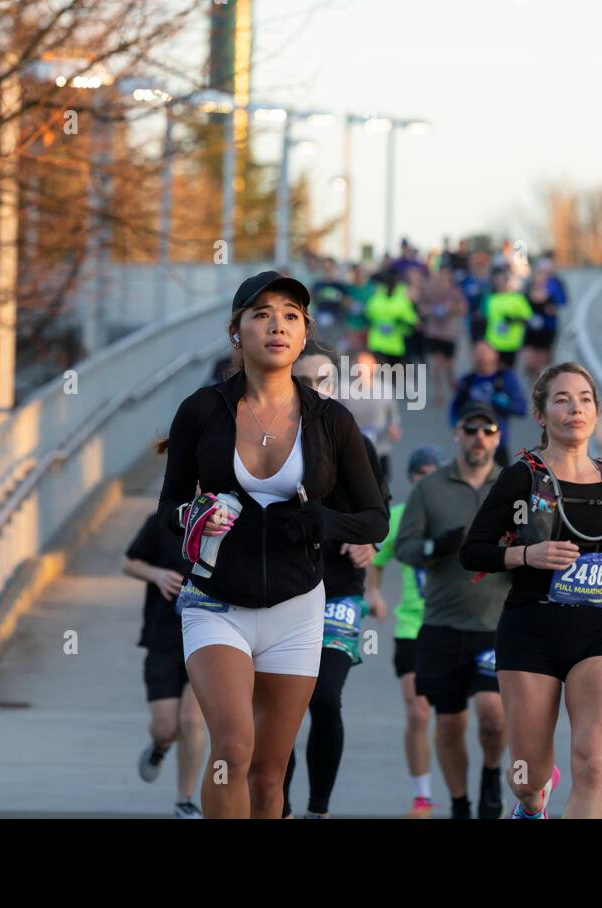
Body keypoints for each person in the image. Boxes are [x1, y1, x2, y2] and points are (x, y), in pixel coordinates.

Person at [151, 270, 389, 819]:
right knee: (232, 751)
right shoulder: (203, 410)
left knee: (268, 773)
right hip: (215, 604)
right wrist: (192, 517)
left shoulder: (332, 420)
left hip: (297, 608)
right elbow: (167, 508)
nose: (276, 325)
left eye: (289, 315)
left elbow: (375, 519)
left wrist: (320, 522)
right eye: (260, 314)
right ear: (236, 333)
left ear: (303, 333)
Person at [459, 362, 602, 818]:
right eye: (562, 399)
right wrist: (526, 556)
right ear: (540, 414)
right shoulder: (523, 477)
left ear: (596, 412)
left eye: (585, 399)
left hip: (596, 632)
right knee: (528, 779)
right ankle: (532, 805)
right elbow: (472, 552)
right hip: (530, 629)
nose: (576, 408)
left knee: (593, 762)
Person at [279, 349, 391, 818]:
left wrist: (368, 544)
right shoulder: (265, 439)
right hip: (279, 589)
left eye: (321, 381)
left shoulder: (356, 442)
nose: (311, 389)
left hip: (339, 588)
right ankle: (276, 806)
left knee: (324, 697)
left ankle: (318, 809)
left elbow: (378, 514)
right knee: (279, 709)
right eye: (301, 380)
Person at [393, 401, 511, 819]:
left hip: (498, 623)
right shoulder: (431, 488)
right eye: (471, 429)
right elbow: (404, 547)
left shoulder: (513, 487)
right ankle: (460, 803)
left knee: (493, 715)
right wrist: (433, 547)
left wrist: (530, 544)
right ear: (457, 434)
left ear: (497, 438)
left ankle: (492, 775)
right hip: (443, 623)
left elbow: (544, 545)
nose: (479, 437)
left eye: (488, 430)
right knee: (448, 725)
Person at [369, 444, 443, 818]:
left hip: (455, 626)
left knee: (484, 715)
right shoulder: (397, 517)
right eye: (421, 473)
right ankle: (423, 796)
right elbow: (375, 560)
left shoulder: (455, 512)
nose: (427, 479)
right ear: (413, 478)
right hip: (412, 626)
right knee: (417, 713)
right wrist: (373, 593)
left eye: (434, 472)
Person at [121, 516, 206, 818]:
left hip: (209, 639)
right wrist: (155, 575)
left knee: (192, 720)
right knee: (166, 727)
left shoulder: (231, 524)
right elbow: (129, 563)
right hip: (164, 638)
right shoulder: (163, 522)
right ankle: (160, 746)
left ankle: (184, 800)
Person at [450, 340, 526, 467]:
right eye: (477, 352)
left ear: (495, 354)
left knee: (501, 483)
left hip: (497, 445)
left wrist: (506, 404)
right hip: (471, 445)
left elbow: (522, 409)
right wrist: (456, 427)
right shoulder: (467, 380)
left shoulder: (505, 378)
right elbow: (454, 408)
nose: (481, 356)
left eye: (485, 351)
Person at [342, 348, 402, 482]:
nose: (360, 367)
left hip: (380, 448)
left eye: (364, 364)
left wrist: (394, 427)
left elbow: (393, 415)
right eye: (357, 363)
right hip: (353, 449)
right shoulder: (342, 389)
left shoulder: (385, 388)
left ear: (373, 367)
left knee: (382, 486)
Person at [420, 260, 469, 407]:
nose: (442, 278)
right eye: (440, 275)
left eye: (445, 275)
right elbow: (422, 307)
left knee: (449, 366)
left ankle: (454, 392)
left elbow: (463, 308)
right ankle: (438, 393)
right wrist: (430, 310)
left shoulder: (455, 291)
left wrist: (450, 309)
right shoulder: (430, 289)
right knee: (435, 364)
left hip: (449, 333)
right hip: (434, 332)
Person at [521, 257, 567, 381]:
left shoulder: (554, 288)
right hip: (530, 331)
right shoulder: (526, 290)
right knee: (530, 363)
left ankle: (540, 390)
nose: (540, 277)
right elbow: (520, 306)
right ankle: (533, 382)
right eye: (539, 273)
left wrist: (553, 307)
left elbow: (563, 301)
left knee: (543, 365)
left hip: (547, 330)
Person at [364, 267, 419, 367]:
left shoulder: (399, 300)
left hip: (392, 346)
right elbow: (412, 322)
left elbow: (412, 323)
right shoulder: (378, 300)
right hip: (381, 345)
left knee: (388, 377)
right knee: (382, 377)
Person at [482, 268, 534, 369]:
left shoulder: (517, 298)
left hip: (511, 344)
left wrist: (513, 319)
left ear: (506, 280)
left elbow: (528, 319)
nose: (498, 282)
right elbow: (485, 320)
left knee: (507, 374)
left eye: (500, 279)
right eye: (496, 279)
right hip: (493, 343)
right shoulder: (490, 298)